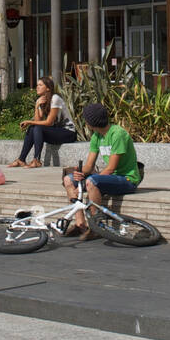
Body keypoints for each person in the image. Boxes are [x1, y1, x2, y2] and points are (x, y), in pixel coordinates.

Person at [60, 103, 141, 240]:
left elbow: (111, 168)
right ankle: (80, 224)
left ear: (92, 122)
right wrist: (80, 173)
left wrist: (88, 182)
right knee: (68, 180)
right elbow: (89, 166)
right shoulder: (96, 137)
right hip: (109, 178)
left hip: (126, 179)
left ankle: (96, 226)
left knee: (92, 181)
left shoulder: (117, 134)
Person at [9, 76, 77, 168]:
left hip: (68, 133)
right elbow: (38, 121)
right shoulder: (41, 100)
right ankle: (21, 159)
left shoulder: (55, 98)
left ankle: (36, 160)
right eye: (37, 85)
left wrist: (29, 121)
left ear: (48, 88)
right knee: (33, 128)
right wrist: (37, 105)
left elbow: (49, 122)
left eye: (40, 85)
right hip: (56, 131)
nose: (37, 87)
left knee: (35, 126)